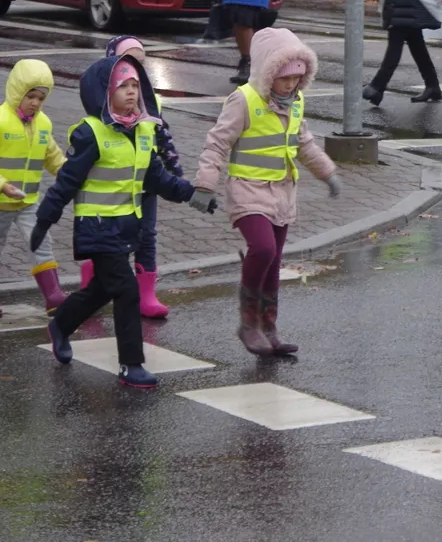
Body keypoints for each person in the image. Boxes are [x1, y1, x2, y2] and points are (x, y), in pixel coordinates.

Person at [32, 56, 206, 389]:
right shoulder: (91, 134)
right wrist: (45, 218)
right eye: (122, 86)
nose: (130, 92)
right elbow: (67, 181)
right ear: (104, 92)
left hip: (126, 228)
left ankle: (61, 325)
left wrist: (193, 195)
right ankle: (131, 364)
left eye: (134, 86)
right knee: (126, 289)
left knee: (103, 288)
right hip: (97, 228)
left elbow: (157, 178)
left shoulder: (143, 130)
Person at [192, 28, 340, 356]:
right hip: (248, 191)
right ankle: (248, 323)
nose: (291, 85)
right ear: (268, 73)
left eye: (297, 78)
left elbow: (304, 143)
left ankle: (269, 326)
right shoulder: (244, 100)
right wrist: (204, 186)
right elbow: (217, 142)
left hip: (283, 194)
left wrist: (327, 173)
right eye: (284, 78)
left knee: (274, 260)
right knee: (262, 249)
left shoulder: (295, 103)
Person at [98, 37, 183, 318]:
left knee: (147, 235)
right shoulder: (100, 102)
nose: (136, 71)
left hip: (147, 182)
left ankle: (146, 293)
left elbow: (163, 136)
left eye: (140, 65)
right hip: (115, 186)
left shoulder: (149, 100)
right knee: (111, 238)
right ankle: (95, 285)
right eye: (128, 63)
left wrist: (175, 171)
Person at [0, 60, 69, 314]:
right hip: (0, 201)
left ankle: (53, 296)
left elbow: (52, 156)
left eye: (41, 98)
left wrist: (68, 173)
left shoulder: (43, 124)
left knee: (41, 243)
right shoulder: (1, 120)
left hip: (28, 201)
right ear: (17, 91)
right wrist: (3, 185)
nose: (35, 103)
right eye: (30, 95)